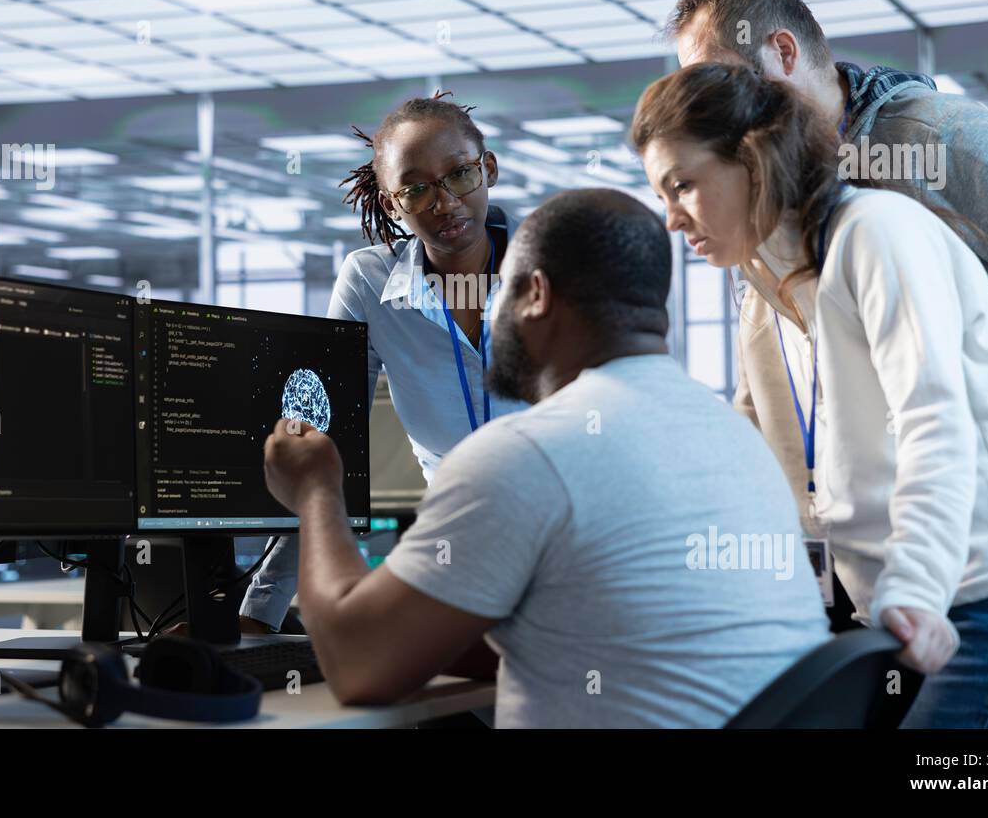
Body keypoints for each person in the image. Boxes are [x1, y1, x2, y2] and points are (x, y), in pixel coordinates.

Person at [631, 61, 988, 727]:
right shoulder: (765, 290)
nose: (672, 219)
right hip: (912, 612)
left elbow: (935, 421)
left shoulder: (875, 232)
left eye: (683, 186)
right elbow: (754, 458)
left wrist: (913, 587)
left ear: (753, 161)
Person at [259, 188, 830, 728]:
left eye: (499, 288)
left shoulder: (525, 456)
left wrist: (316, 492)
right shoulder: (736, 440)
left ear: (535, 295)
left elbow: (360, 665)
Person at [665, 0, 988, 510]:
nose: (707, 109)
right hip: (862, 538)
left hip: (982, 526)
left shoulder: (924, 140)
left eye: (715, 81)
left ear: (782, 52)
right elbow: (771, 371)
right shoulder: (767, 185)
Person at [238, 91, 525, 634]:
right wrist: (261, 614)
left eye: (460, 175)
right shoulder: (370, 282)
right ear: (393, 204)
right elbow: (327, 439)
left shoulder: (552, 263)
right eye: (415, 190)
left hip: (563, 547)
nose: (443, 204)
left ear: (488, 168)